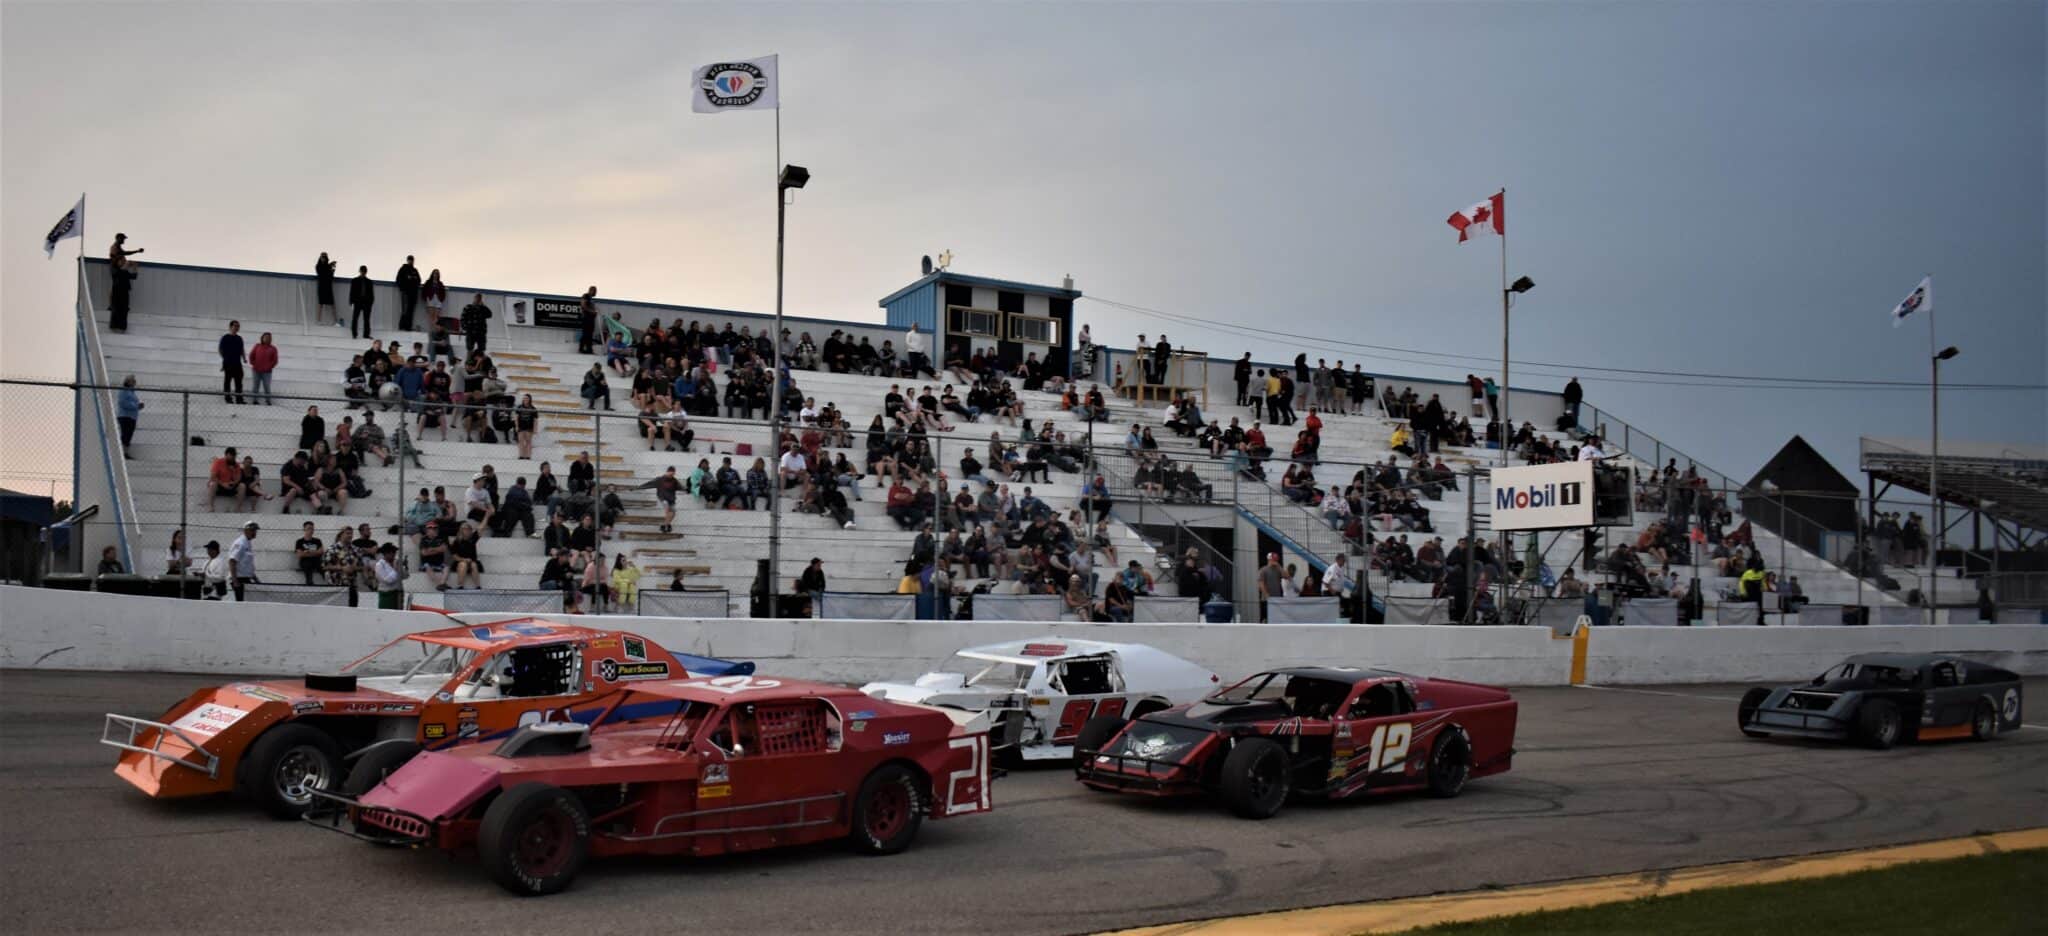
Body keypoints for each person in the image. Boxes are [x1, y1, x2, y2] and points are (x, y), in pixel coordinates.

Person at [107, 234, 144, 331]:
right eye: (123, 239)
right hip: (118, 286)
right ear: (118, 238)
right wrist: (128, 262)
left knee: (123, 308)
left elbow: (133, 276)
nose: (124, 240)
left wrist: (134, 264)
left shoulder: (118, 249)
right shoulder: (114, 248)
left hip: (123, 288)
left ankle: (121, 327)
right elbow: (117, 258)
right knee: (117, 307)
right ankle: (115, 325)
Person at [225, 522, 259, 601]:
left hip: (245, 579)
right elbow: (232, 561)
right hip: (239, 579)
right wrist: (235, 581)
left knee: (246, 603)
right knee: (241, 604)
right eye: (252, 530)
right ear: (246, 531)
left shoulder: (248, 543)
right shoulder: (240, 543)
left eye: (255, 530)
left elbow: (247, 565)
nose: (255, 532)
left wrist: (255, 578)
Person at [245, 331, 279, 405]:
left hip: (267, 372)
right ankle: (254, 400)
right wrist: (254, 364)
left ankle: (268, 400)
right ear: (262, 338)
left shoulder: (273, 349)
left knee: (267, 386)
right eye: (266, 337)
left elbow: (275, 360)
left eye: (269, 338)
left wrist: (269, 366)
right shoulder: (257, 346)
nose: (267, 339)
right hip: (256, 370)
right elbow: (251, 355)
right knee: (255, 386)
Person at [218, 320, 247, 404]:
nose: (237, 327)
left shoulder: (239, 338)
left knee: (239, 382)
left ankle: (239, 399)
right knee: (227, 381)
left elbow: (242, 350)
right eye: (235, 326)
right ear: (230, 327)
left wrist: (244, 358)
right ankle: (228, 398)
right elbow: (220, 349)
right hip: (228, 363)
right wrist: (225, 358)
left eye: (238, 326)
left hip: (237, 363)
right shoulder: (225, 337)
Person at [115, 376, 142, 457]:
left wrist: (138, 406)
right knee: (125, 434)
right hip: (125, 416)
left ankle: (125, 452)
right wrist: (136, 406)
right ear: (128, 382)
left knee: (129, 435)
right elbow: (123, 403)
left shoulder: (132, 392)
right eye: (132, 381)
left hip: (132, 417)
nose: (134, 383)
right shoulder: (123, 391)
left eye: (134, 381)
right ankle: (121, 452)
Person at [373, 543, 405, 609]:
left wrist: (404, 568)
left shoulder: (396, 562)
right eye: (392, 552)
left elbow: (405, 576)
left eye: (394, 552)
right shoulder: (380, 565)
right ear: (386, 553)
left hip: (398, 594)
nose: (394, 554)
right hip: (387, 595)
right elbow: (388, 580)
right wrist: (395, 570)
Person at [395, 255, 422, 332]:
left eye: (412, 260)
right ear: (407, 260)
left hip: (413, 293)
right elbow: (398, 279)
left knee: (411, 310)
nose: (411, 261)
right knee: (405, 309)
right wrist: (403, 287)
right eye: (409, 260)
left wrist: (413, 279)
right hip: (405, 292)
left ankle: (408, 326)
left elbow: (419, 280)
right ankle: (402, 326)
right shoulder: (403, 269)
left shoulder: (415, 270)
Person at [349, 265, 376, 339]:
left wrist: (370, 303)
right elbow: (352, 292)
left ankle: (366, 334)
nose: (363, 273)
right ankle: (354, 334)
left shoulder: (369, 282)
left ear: (366, 272)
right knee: (355, 318)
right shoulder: (354, 280)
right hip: (357, 302)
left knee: (366, 319)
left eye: (364, 271)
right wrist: (351, 302)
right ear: (360, 271)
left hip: (366, 303)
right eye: (362, 271)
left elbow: (371, 294)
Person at [313, 252, 338, 327]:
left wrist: (332, 268)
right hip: (322, 286)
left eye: (324, 257)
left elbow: (331, 276)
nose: (323, 258)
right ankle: (318, 320)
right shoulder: (318, 266)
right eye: (322, 257)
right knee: (320, 304)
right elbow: (321, 273)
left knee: (332, 304)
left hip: (328, 286)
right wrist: (330, 266)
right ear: (320, 258)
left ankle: (335, 321)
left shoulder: (328, 266)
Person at [577, 286, 600, 355]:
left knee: (590, 334)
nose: (596, 293)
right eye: (595, 291)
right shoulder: (585, 296)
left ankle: (589, 349)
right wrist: (592, 312)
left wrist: (595, 312)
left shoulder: (591, 299)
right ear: (591, 290)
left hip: (591, 319)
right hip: (586, 318)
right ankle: (581, 348)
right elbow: (583, 305)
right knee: (586, 333)